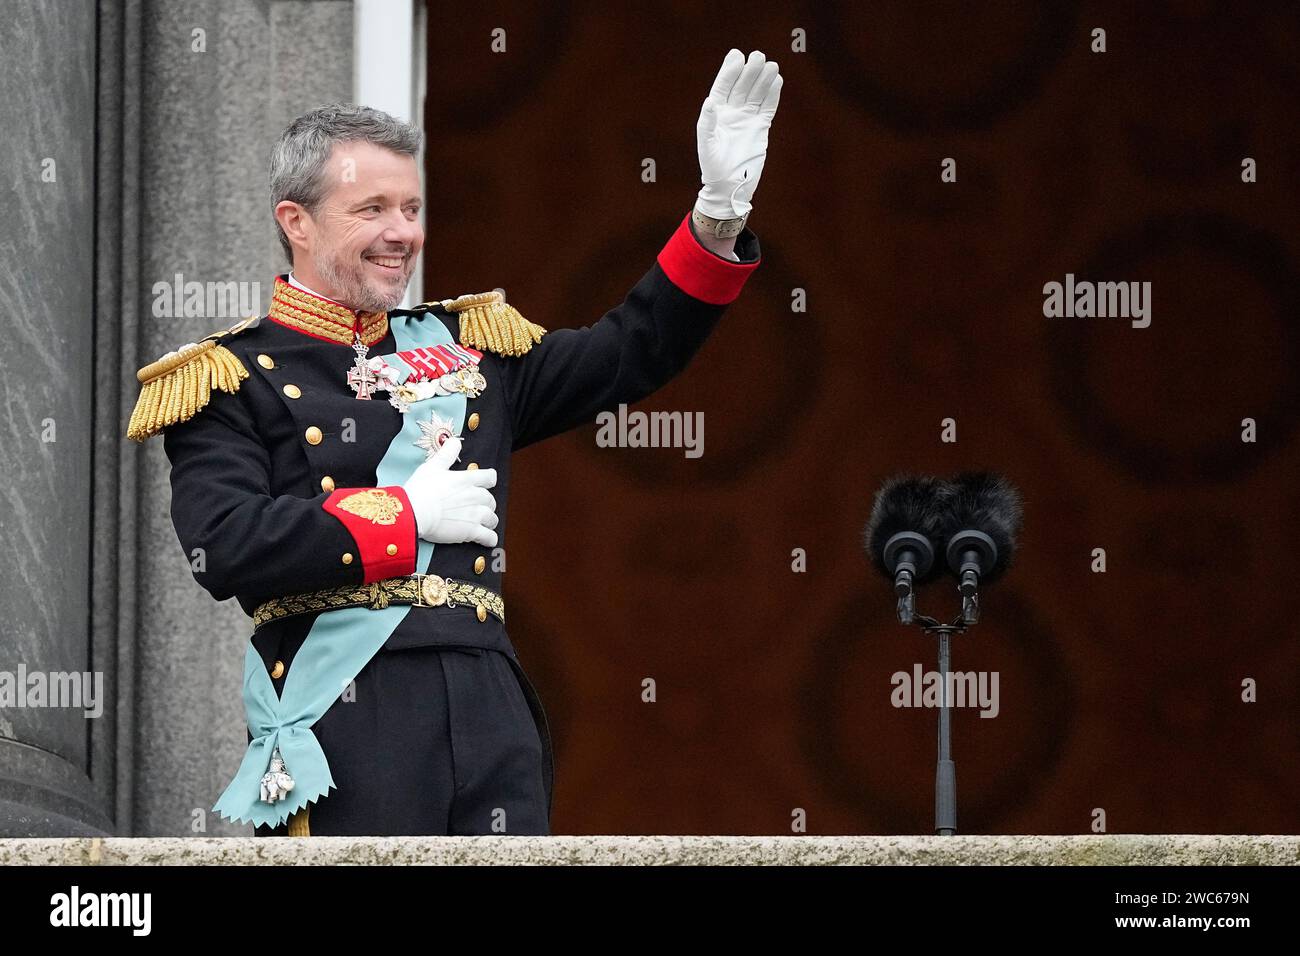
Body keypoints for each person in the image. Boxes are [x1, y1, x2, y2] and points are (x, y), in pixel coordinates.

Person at [126, 49, 781, 836]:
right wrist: (402, 515)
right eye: (372, 210)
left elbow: (630, 350)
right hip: (350, 714)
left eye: (410, 208)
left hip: (487, 703)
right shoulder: (230, 376)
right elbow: (224, 544)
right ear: (295, 222)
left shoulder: (471, 347)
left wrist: (716, 214)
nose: (403, 232)